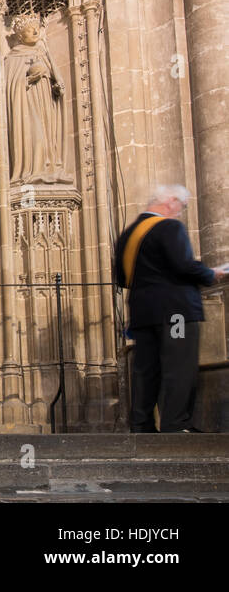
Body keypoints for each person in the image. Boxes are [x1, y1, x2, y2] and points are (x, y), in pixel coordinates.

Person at [112, 184, 229, 432]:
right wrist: (211, 273)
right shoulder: (169, 227)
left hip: (143, 315)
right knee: (178, 365)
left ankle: (141, 427)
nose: (180, 213)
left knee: (146, 370)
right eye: (182, 207)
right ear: (171, 202)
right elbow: (183, 265)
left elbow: (122, 279)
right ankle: (175, 425)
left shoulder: (128, 235)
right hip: (175, 313)